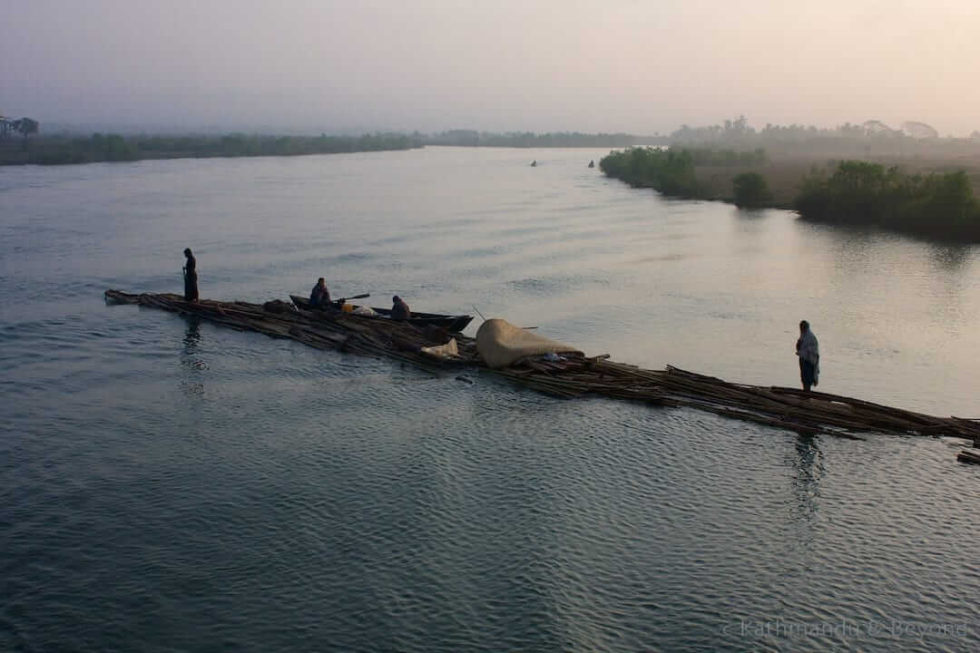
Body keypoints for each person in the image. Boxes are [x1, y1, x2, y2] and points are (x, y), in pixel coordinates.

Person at [795, 320, 819, 392]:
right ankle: (805, 394)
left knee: (807, 379)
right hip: (803, 359)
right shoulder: (803, 336)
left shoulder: (810, 337)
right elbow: (799, 348)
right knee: (804, 378)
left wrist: (807, 351)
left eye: (803, 327)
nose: (801, 329)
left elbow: (814, 351)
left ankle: (807, 395)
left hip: (809, 361)